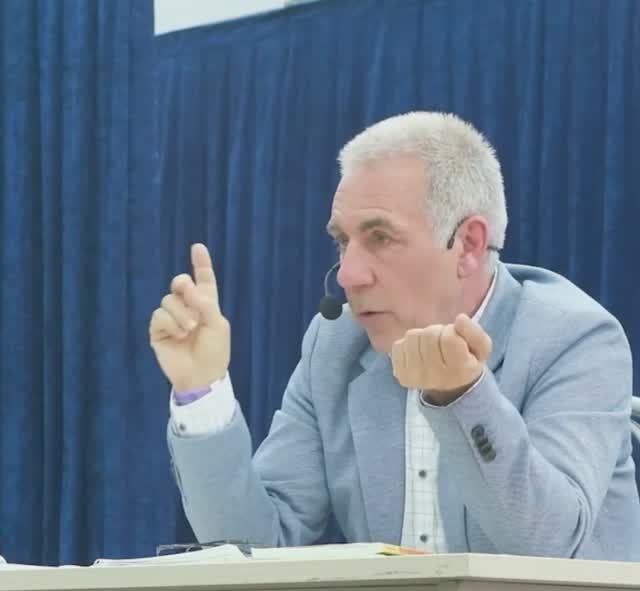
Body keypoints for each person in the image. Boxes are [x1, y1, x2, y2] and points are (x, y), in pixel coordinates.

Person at [149, 110, 640, 561]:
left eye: (380, 237)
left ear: (468, 245)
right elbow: (255, 551)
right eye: (342, 242)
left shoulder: (575, 339)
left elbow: (548, 545)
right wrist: (202, 391)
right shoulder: (336, 344)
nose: (348, 275)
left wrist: (464, 397)